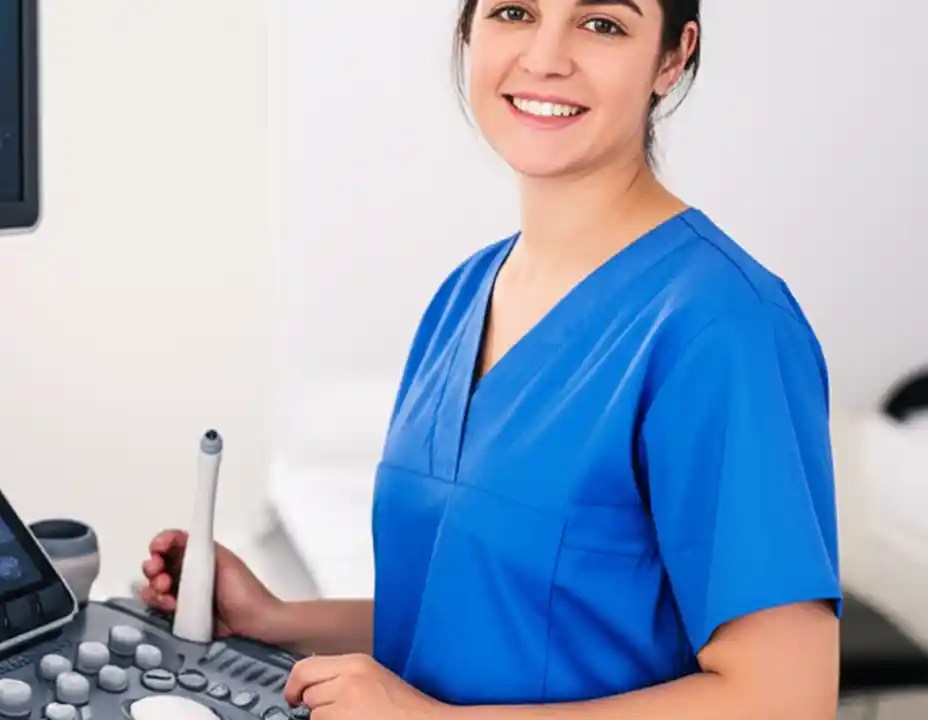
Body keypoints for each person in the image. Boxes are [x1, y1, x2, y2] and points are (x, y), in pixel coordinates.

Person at [142, 0, 843, 716]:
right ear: (469, 30)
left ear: (672, 55)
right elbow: (481, 615)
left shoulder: (723, 328)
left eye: (602, 23)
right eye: (514, 11)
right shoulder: (465, 296)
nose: (545, 56)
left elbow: (785, 696)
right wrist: (276, 619)